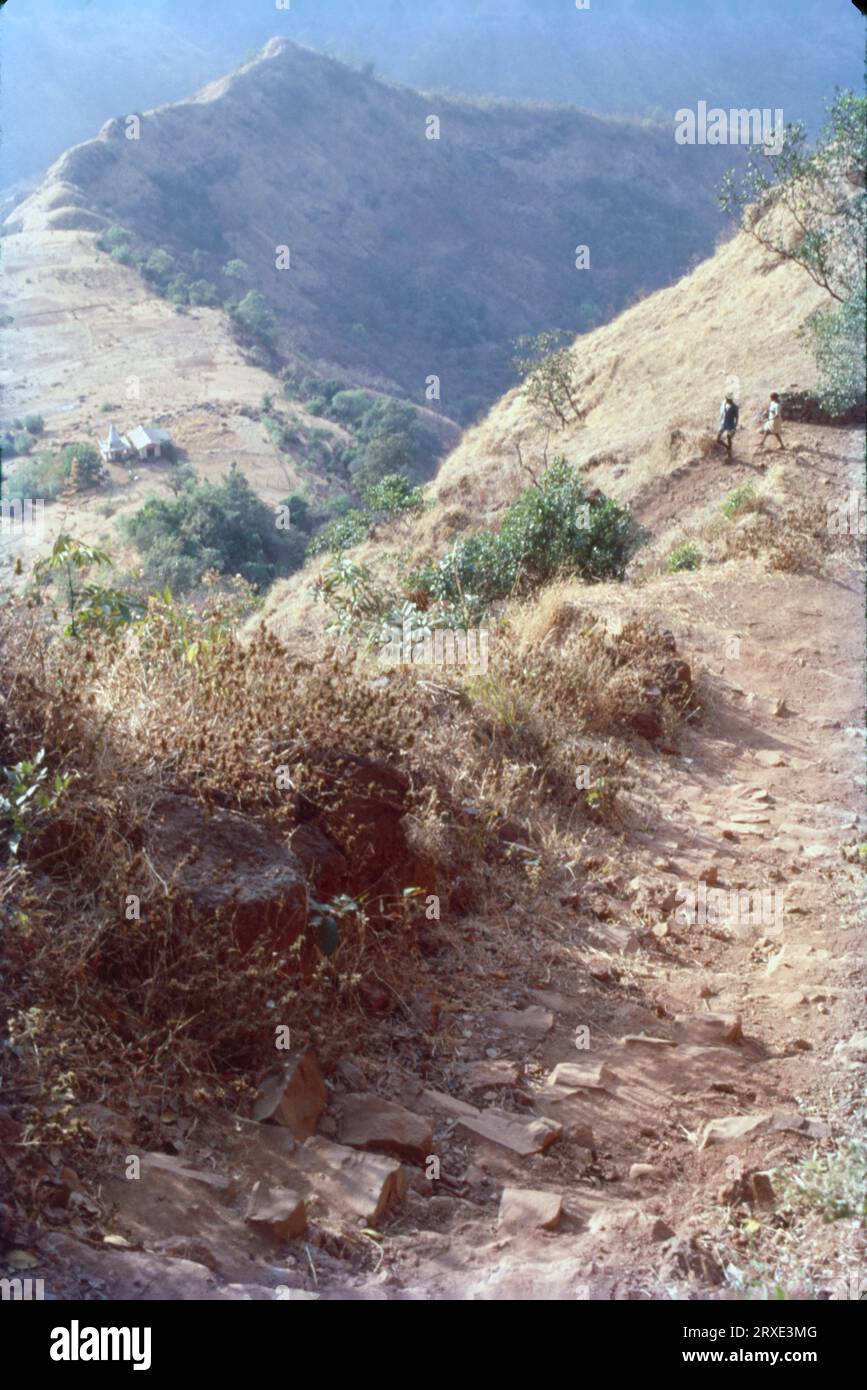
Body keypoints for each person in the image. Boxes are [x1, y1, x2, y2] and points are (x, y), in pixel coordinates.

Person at [716, 393, 739, 458]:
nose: (726, 400)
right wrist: (720, 421)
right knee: (717, 439)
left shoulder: (735, 407)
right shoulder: (724, 404)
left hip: (730, 424)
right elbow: (722, 413)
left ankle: (729, 455)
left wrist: (735, 426)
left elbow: (737, 417)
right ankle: (727, 447)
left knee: (728, 437)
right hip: (723, 423)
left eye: (728, 399)